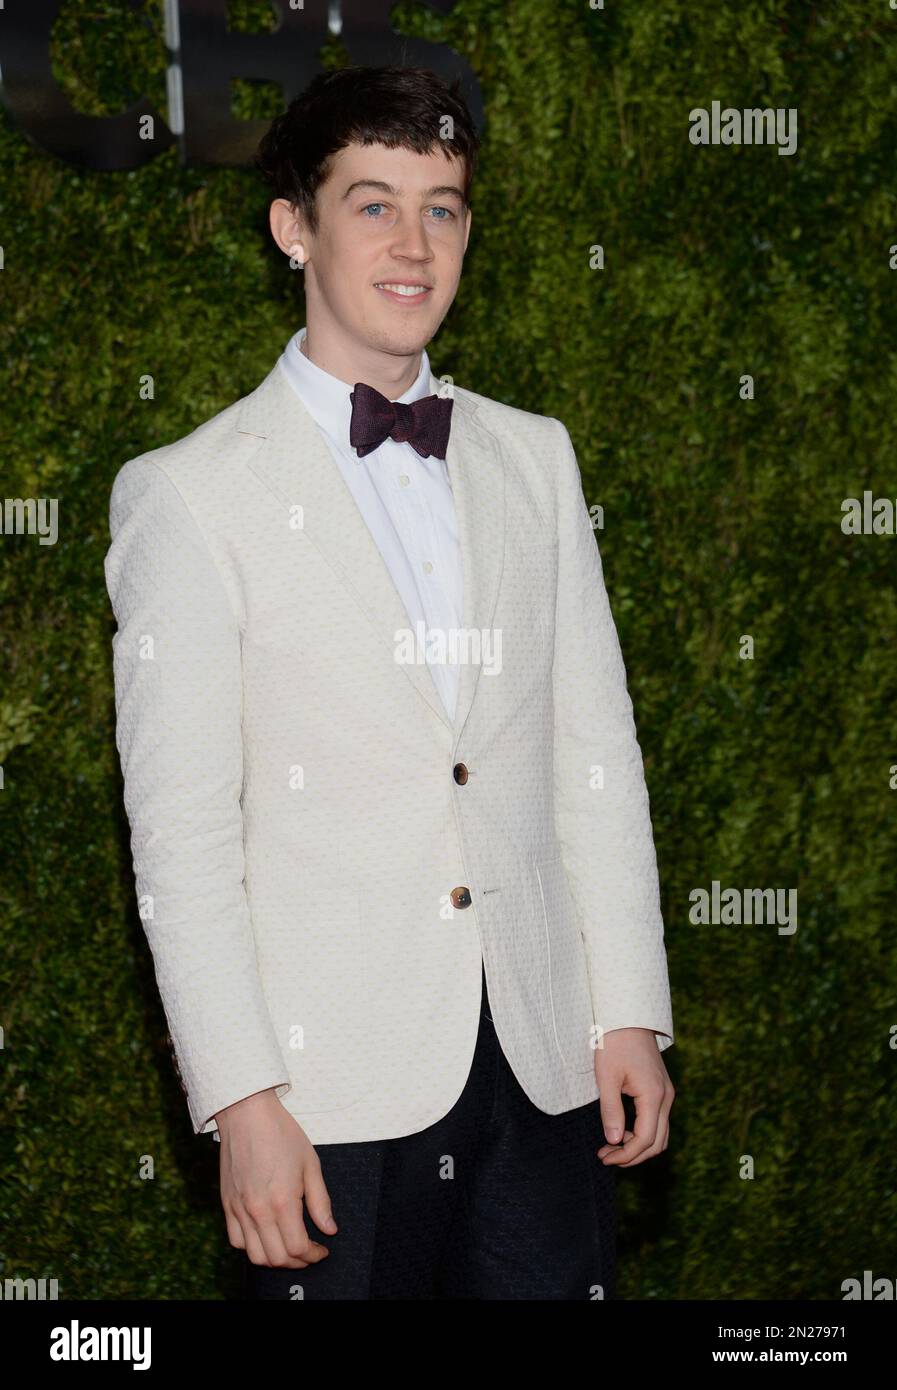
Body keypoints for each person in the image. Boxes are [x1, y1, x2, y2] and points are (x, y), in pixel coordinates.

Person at [104, 64, 675, 1301]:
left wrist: (628, 1005)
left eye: (443, 207)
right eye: (372, 205)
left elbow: (595, 753)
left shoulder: (534, 458)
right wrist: (243, 1099)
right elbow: (184, 835)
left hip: (539, 1063)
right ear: (292, 226)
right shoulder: (190, 496)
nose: (414, 244)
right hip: (329, 1093)